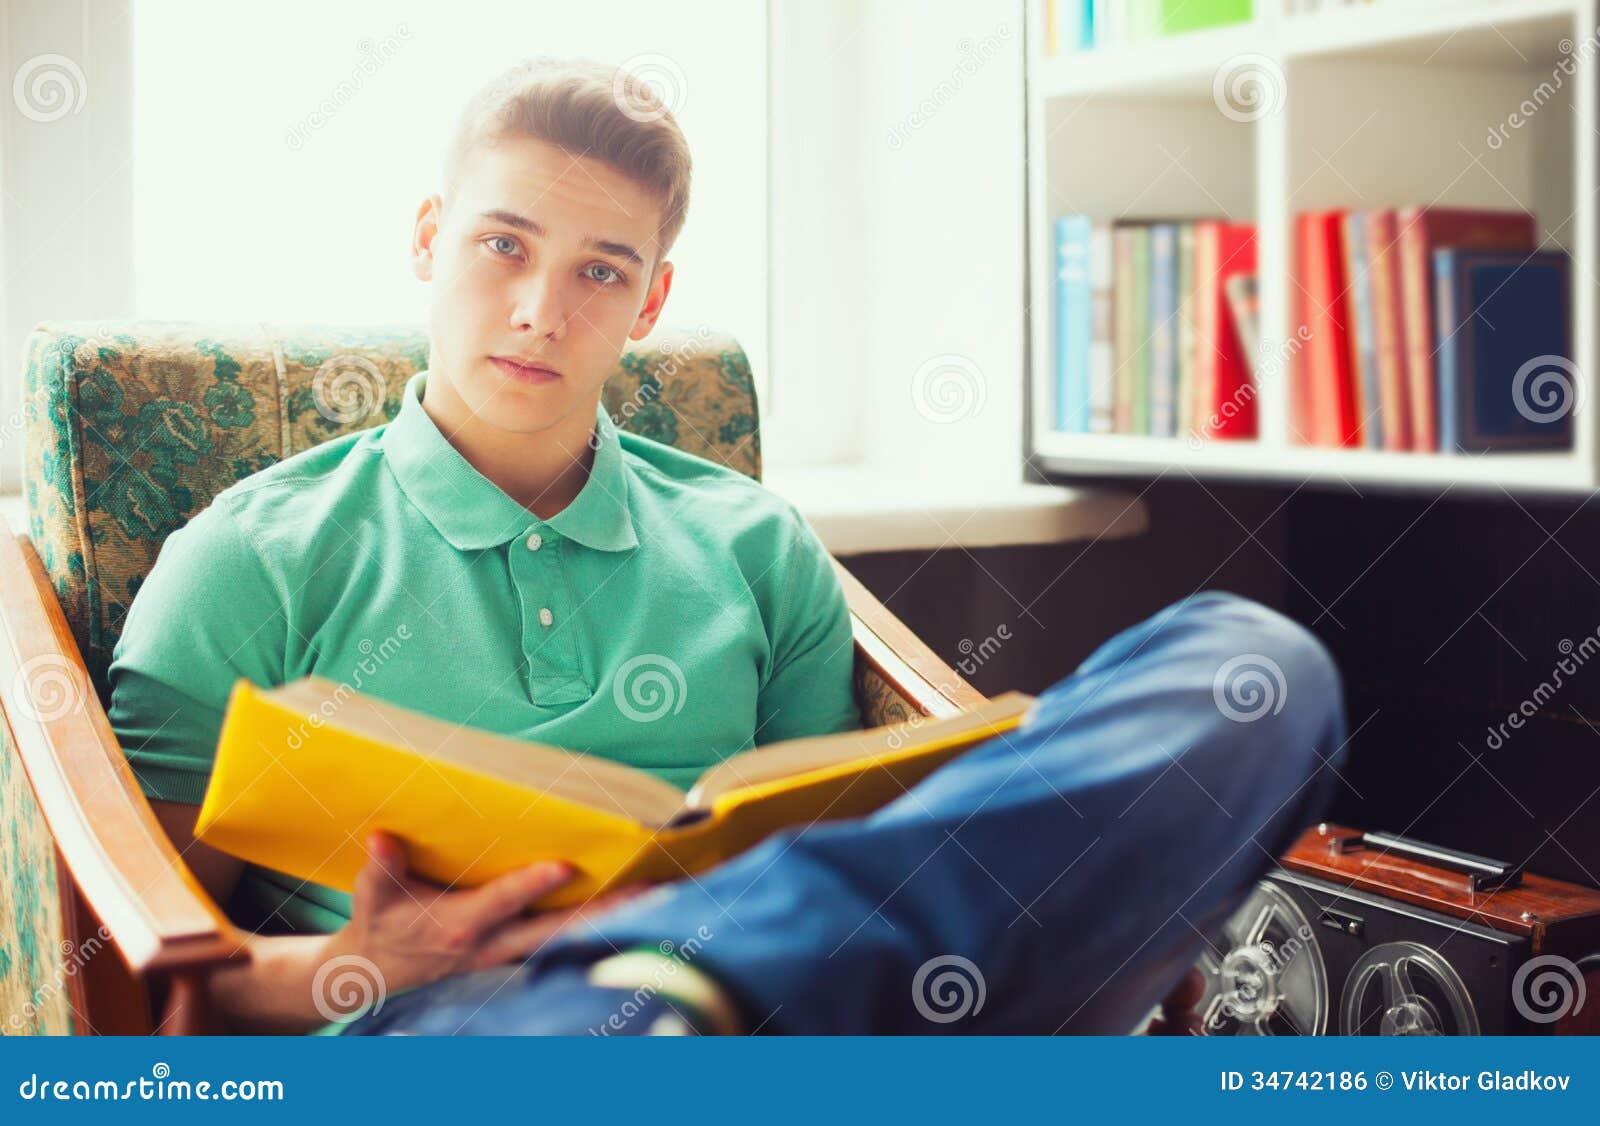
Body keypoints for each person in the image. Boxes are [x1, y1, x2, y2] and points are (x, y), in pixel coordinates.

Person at [108, 57, 1348, 1036]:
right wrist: (349, 966)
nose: (541, 310)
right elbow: (131, 962)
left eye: (601, 271)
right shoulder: (248, 557)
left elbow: (835, 846)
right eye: (502, 245)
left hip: (790, 995)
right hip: (465, 1031)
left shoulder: (750, 539)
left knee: (1253, 664)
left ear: (650, 301)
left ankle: (692, 991)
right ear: (430, 238)